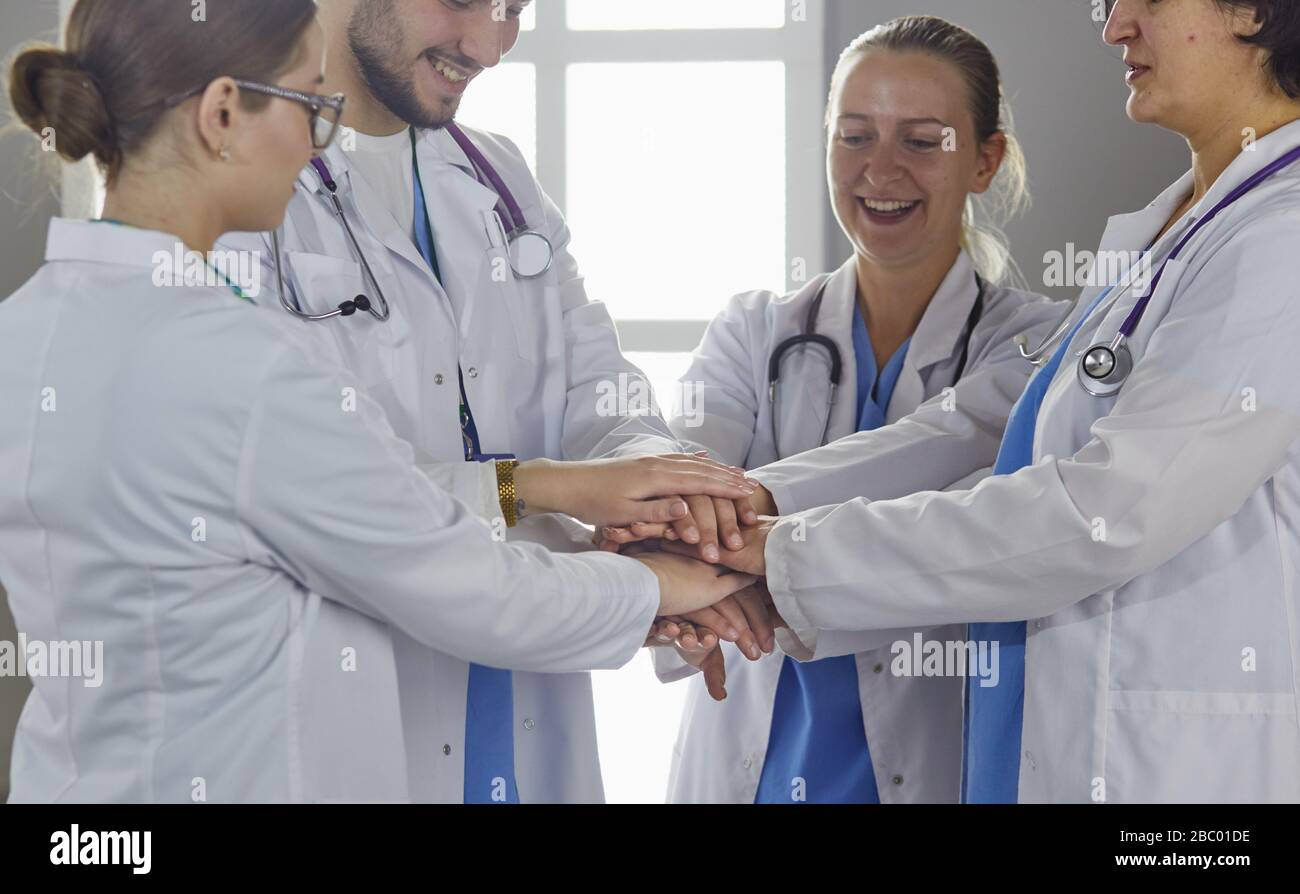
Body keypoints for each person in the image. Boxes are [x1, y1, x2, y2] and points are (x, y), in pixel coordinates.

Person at [0, 0, 754, 803]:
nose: (318, 139)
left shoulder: (29, 329)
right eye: (308, 105)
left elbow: (566, 413)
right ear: (224, 112)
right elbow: (458, 579)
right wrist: (689, 582)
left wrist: (654, 496)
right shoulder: (236, 360)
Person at [683, 0, 1300, 803]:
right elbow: (973, 425)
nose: (1114, 26)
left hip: (1179, 789)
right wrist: (756, 505)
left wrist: (777, 552)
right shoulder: (1181, 228)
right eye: (855, 133)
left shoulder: (1278, 242)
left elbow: (1102, 512)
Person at [216, 0, 768, 805]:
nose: (492, 46)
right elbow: (311, 500)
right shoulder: (239, 191)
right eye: (465, 0)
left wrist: (659, 508)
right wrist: (557, 497)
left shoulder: (500, 180)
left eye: (516, 8)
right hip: (345, 720)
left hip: (524, 710)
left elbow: (600, 391)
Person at [612, 16, 1060, 804]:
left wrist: (739, 544)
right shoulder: (754, 332)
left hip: (932, 767)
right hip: (745, 767)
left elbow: (976, 548)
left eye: (922, 141)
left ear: (985, 160)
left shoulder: (1033, 344)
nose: (879, 170)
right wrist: (696, 551)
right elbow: (672, 512)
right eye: (854, 136)